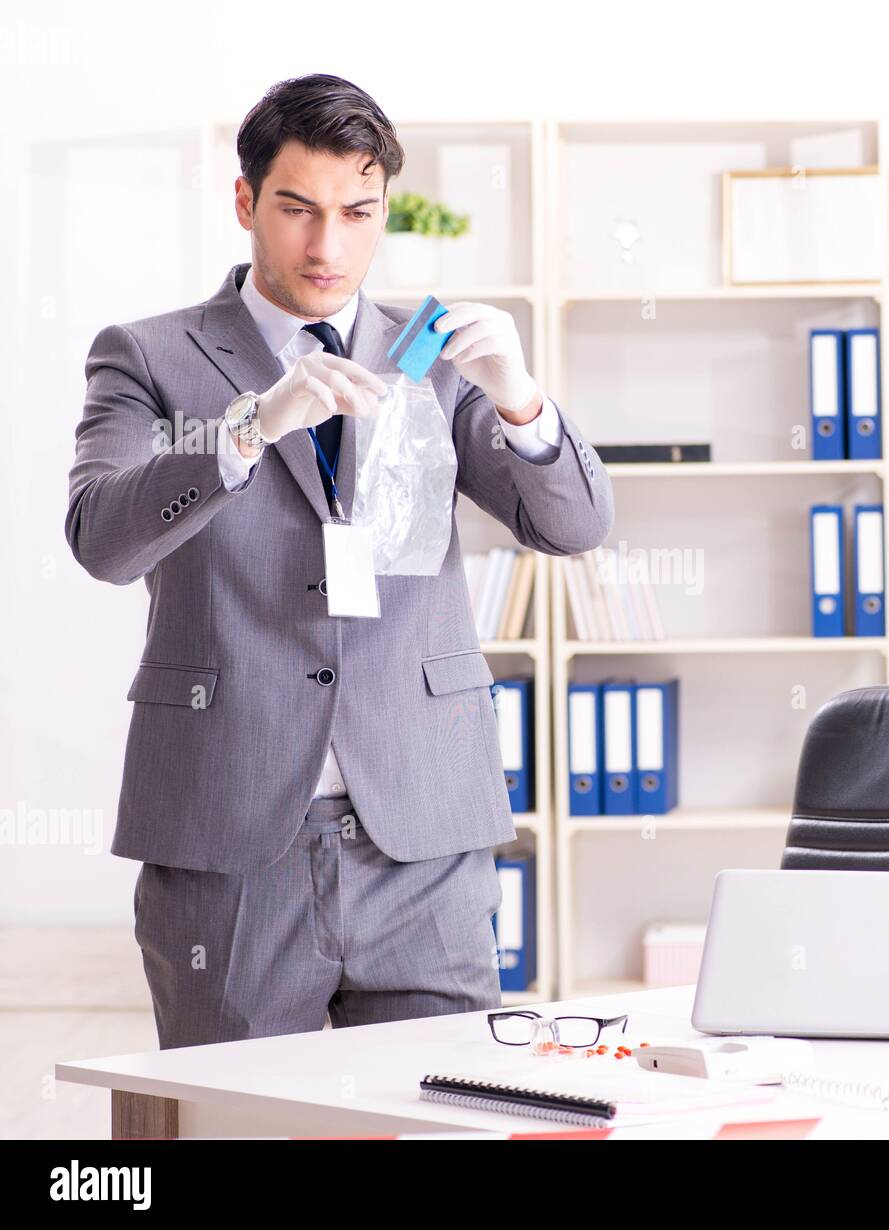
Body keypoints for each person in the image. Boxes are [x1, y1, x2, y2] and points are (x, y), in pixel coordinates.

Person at [64, 73, 613, 1049]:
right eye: (297, 210)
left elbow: (568, 528)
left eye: (358, 213)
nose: (328, 247)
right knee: (231, 1121)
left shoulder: (435, 356)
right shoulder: (148, 356)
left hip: (422, 836)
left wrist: (523, 402)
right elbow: (104, 540)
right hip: (228, 837)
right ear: (245, 202)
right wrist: (244, 432)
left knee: (446, 1113)